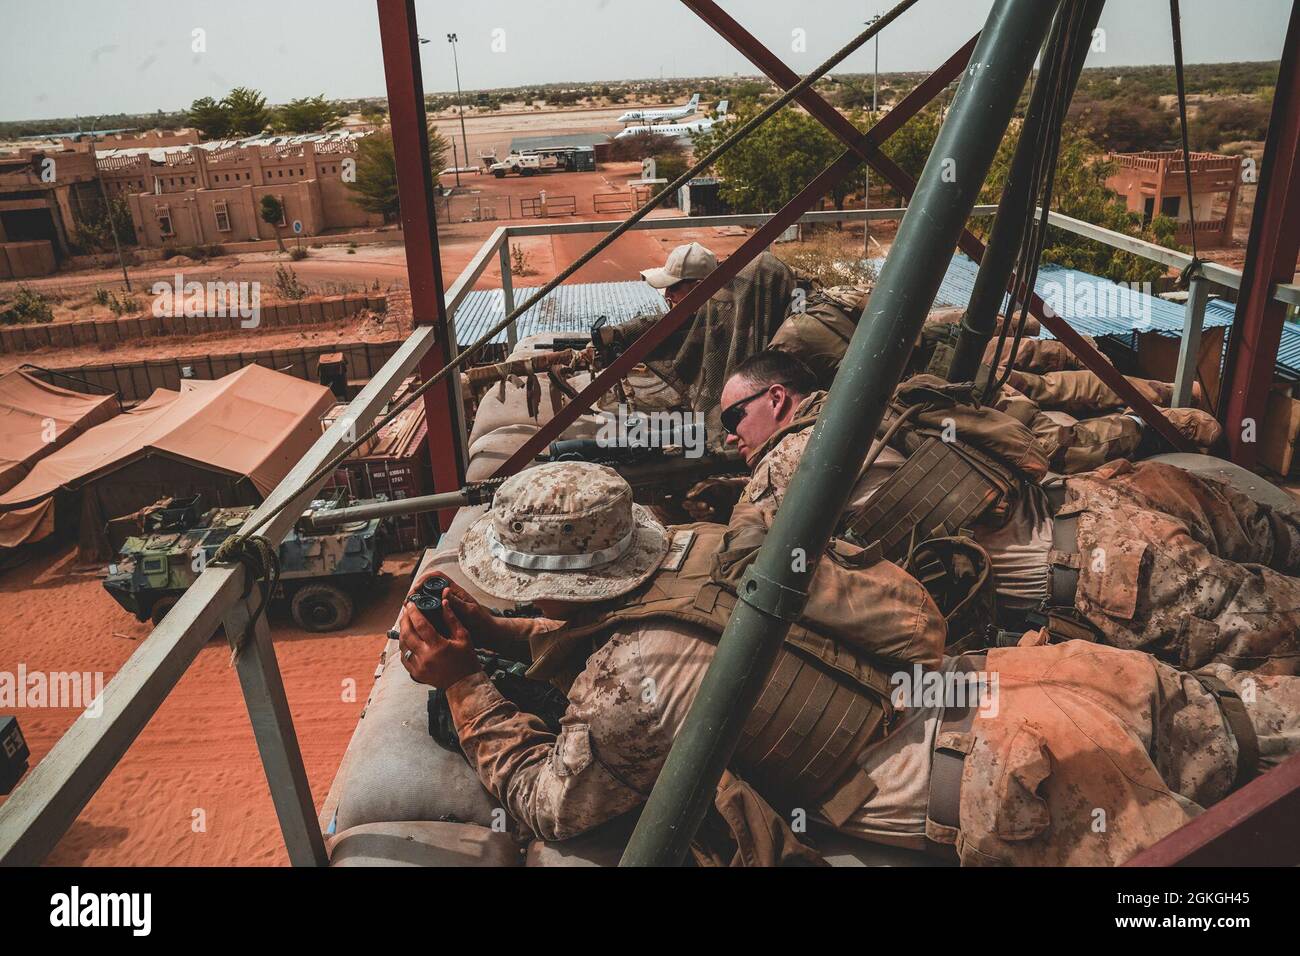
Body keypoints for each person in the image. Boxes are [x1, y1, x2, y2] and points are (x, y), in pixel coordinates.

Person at [397, 462, 1300, 865]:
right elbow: (915, 628)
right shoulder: (723, 547)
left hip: (1023, 785)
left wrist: (467, 684)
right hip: (1042, 686)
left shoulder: (624, 681)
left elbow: (557, 805)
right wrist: (515, 641)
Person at [718, 351, 1300, 674]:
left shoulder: (795, 456)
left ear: (775, 399)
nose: (727, 439)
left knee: (1279, 635)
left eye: (731, 420)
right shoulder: (870, 407)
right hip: (1099, 514)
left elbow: (737, 560)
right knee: (1272, 588)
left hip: (1108, 574)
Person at [595, 242, 801, 440]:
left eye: (673, 287)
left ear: (698, 288)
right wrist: (619, 334)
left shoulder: (731, 318)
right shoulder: (709, 312)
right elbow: (668, 326)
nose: (667, 295)